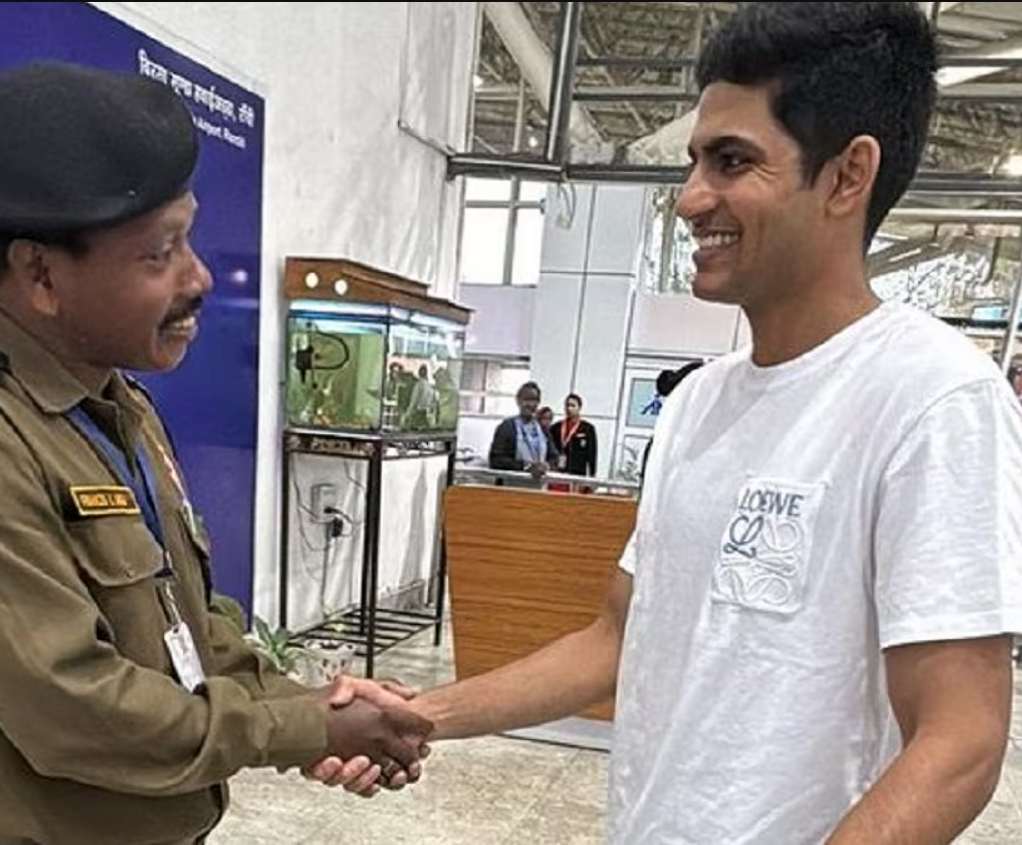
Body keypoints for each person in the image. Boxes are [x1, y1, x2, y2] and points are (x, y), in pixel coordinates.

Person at [393, 5, 1022, 843]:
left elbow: (961, 741)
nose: (691, 198)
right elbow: (617, 635)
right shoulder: (698, 401)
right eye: (694, 160)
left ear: (846, 175)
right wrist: (420, 712)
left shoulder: (934, 399)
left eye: (732, 162)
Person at [0, 60, 429, 845]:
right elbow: (73, 710)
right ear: (40, 273)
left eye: (189, 236)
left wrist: (309, 704)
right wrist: (303, 731)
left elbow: (187, 624)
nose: (200, 277)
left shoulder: (116, 407)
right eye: (161, 252)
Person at [487, 381, 557, 479]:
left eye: (534, 400)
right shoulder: (507, 427)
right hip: (511, 487)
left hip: (538, 488)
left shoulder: (543, 429)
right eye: (526, 399)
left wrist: (546, 466)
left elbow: (554, 457)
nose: (530, 404)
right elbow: (495, 460)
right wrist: (526, 466)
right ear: (518, 401)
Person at [549, 393, 598, 478]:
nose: (569, 408)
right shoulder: (556, 427)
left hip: (577, 474)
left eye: (573, 406)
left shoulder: (587, 429)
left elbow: (592, 455)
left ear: (579, 408)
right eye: (567, 405)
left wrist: (592, 475)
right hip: (557, 472)